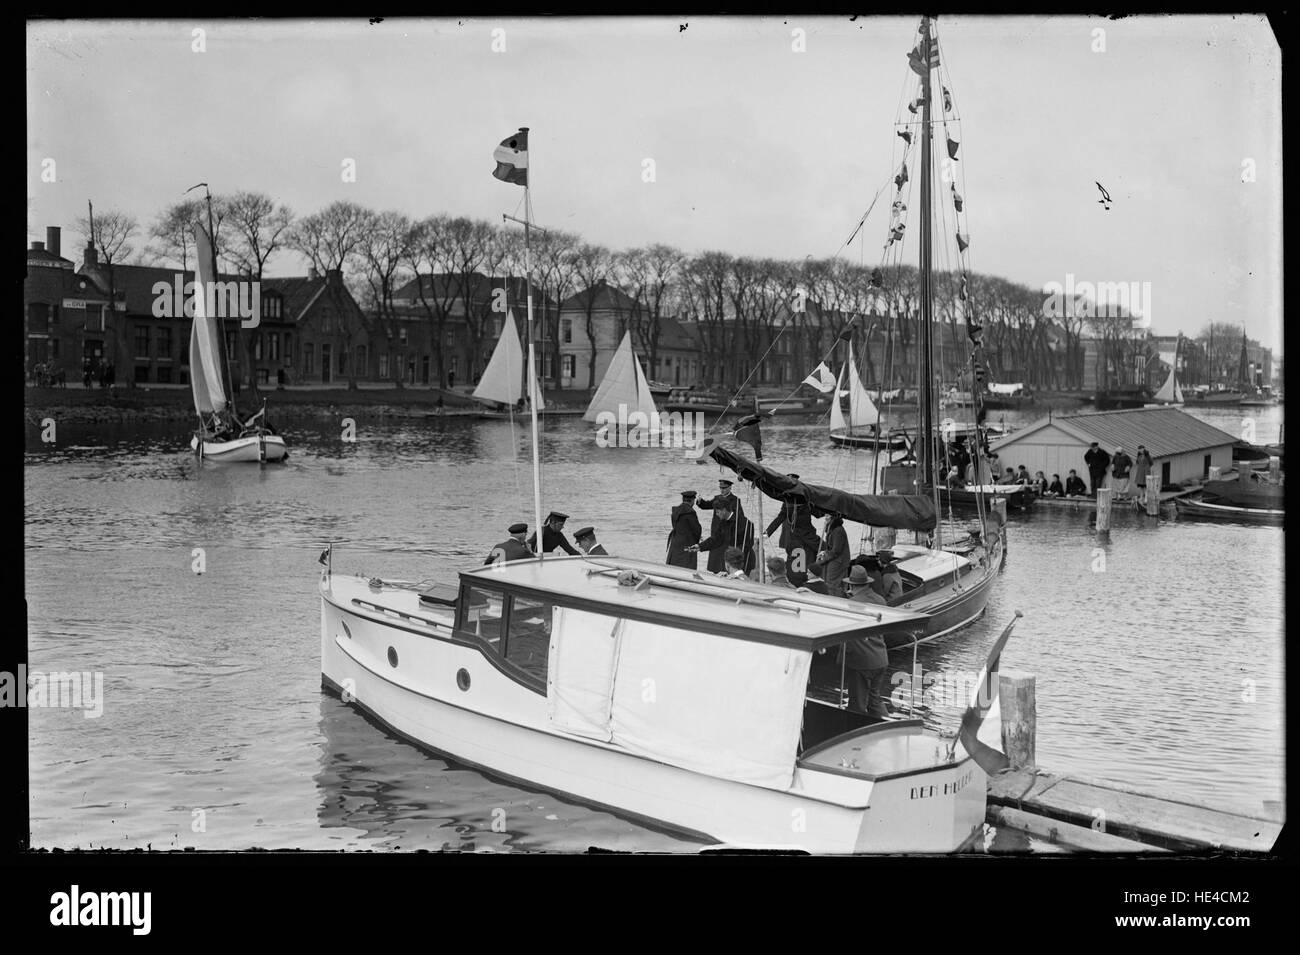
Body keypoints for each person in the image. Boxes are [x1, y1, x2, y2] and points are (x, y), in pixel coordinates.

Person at [691, 499, 755, 576]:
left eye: (717, 512)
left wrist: (733, 558)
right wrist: (700, 546)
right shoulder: (723, 522)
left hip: (743, 561)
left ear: (724, 510)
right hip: (730, 561)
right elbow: (716, 539)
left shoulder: (745, 523)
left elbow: (747, 545)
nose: (716, 514)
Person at [812, 513, 849, 593]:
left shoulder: (838, 530)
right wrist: (824, 553)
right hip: (835, 561)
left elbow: (836, 550)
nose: (825, 518)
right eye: (825, 515)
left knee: (833, 585)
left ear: (833, 517)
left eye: (828, 516)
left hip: (838, 563)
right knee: (829, 584)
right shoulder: (833, 529)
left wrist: (824, 557)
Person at [666, 491, 702, 569]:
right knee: (688, 566)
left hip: (675, 542)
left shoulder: (675, 511)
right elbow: (697, 530)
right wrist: (696, 541)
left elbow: (675, 526)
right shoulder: (690, 512)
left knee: (674, 565)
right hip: (688, 544)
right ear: (692, 500)